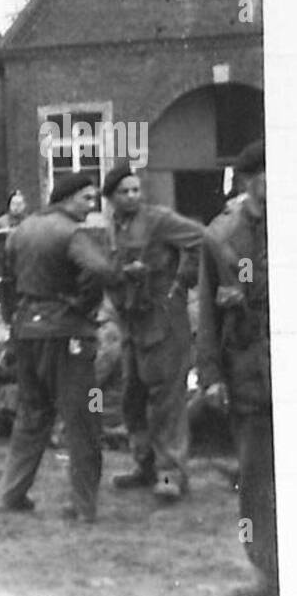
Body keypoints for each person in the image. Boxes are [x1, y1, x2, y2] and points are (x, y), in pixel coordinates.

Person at [0, 172, 120, 521]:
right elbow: (101, 271)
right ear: (67, 198)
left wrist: (14, 317)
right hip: (66, 333)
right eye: (86, 198)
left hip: (26, 330)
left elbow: (4, 279)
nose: (92, 205)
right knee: (82, 419)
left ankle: (12, 492)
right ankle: (84, 506)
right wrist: (82, 304)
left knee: (32, 413)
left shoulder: (21, 230)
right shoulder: (71, 232)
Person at [197, 140, 276, 596]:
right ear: (249, 180)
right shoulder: (220, 237)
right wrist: (210, 375)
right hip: (250, 372)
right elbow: (208, 311)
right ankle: (267, 572)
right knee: (255, 478)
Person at [103, 161, 204, 501]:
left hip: (164, 318)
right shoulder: (114, 226)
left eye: (135, 190)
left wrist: (182, 281)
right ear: (111, 198)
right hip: (133, 322)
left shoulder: (159, 219)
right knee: (132, 396)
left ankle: (170, 473)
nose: (132, 196)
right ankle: (144, 465)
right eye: (123, 192)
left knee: (167, 399)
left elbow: (200, 239)